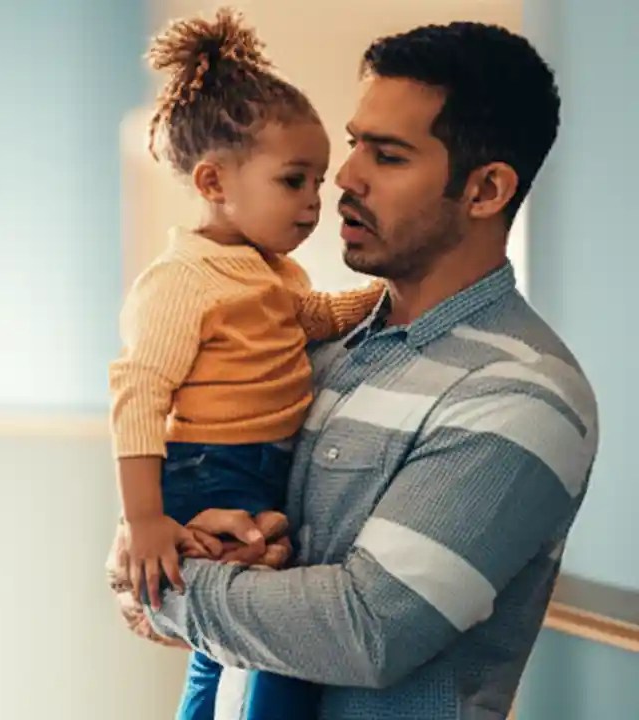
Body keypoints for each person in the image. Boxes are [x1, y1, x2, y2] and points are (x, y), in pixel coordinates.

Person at [108, 20, 596, 720]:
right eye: (355, 143)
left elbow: (363, 632)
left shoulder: (523, 394)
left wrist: (166, 579)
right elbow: (170, 598)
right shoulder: (307, 349)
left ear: (485, 190)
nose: (344, 176)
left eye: (388, 156)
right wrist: (175, 548)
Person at [107, 10, 382, 720]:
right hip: (210, 467)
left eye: (317, 183)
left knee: (224, 646)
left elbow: (313, 318)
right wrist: (144, 519)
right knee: (271, 641)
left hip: (262, 466)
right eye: (294, 181)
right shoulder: (183, 279)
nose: (314, 203)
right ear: (213, 181)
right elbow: (139, 394)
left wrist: (388, 295)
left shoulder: (273, 272)